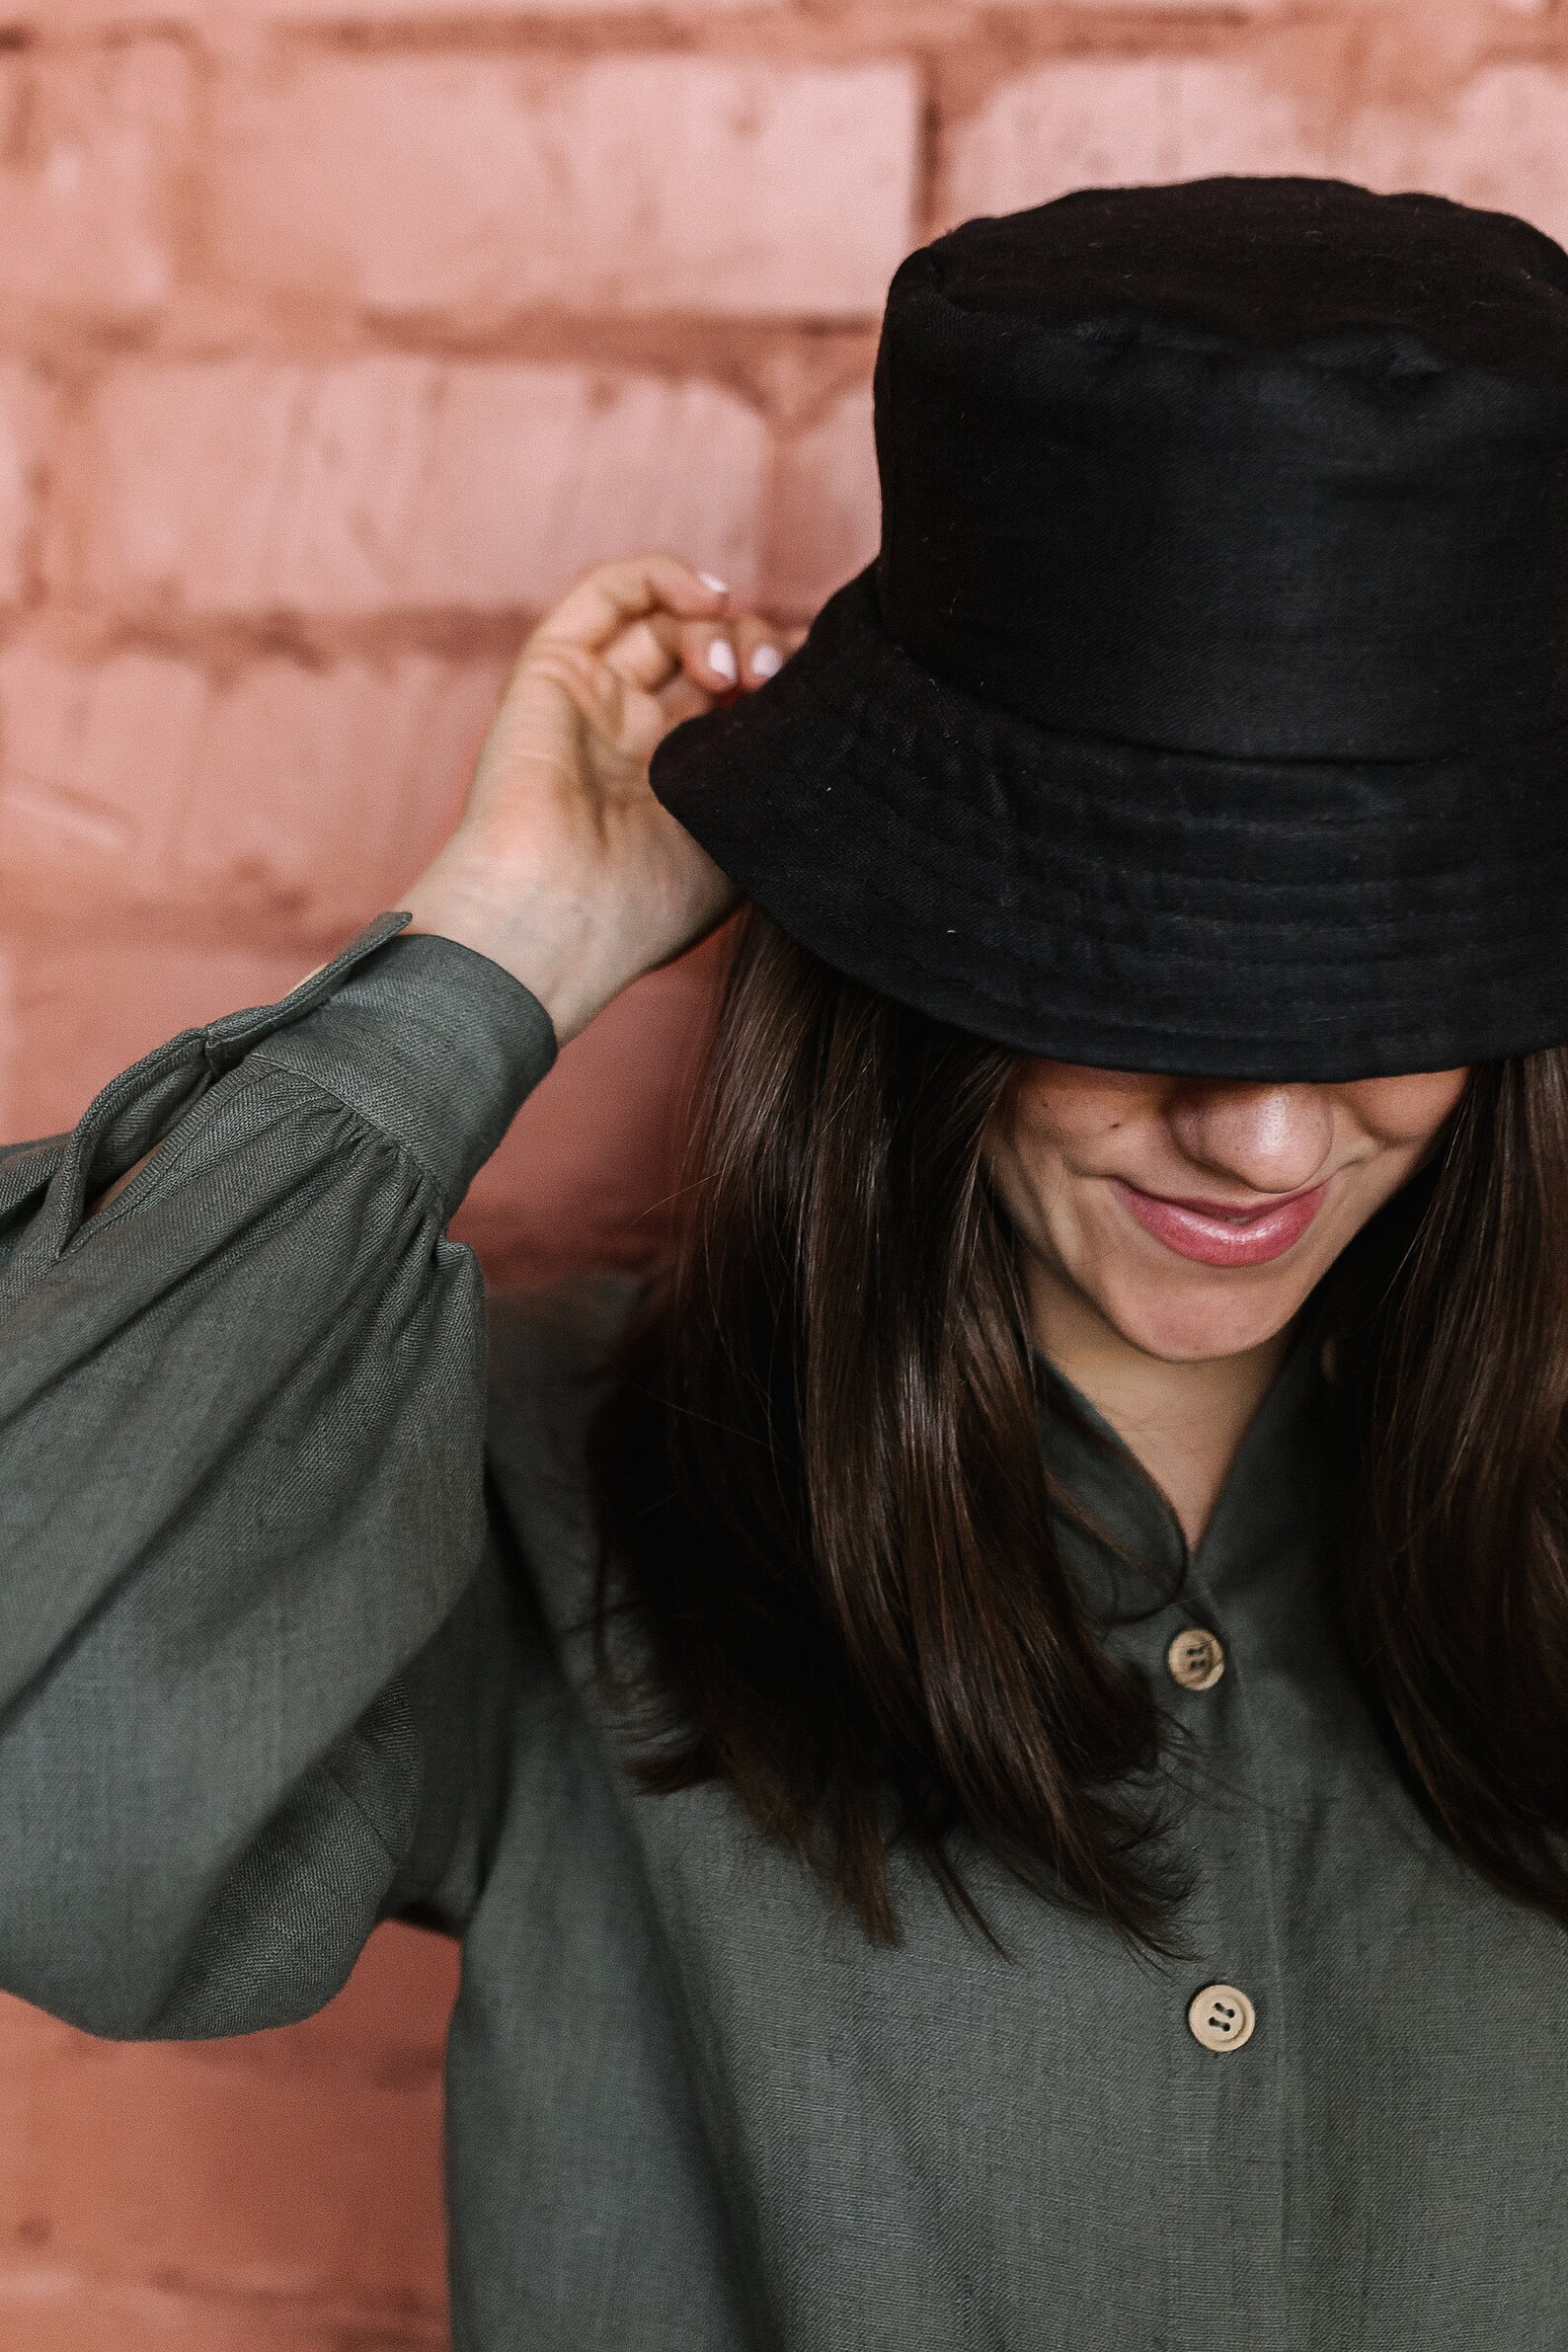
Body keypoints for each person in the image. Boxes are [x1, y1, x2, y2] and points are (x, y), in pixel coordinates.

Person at [4, 173, 1568, 2349]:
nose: (1265, 1136)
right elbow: (51, 1794)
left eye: (1381, 994)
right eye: (1146, 991)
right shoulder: (545, 1495)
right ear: (930, 934)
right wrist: (493, 967)